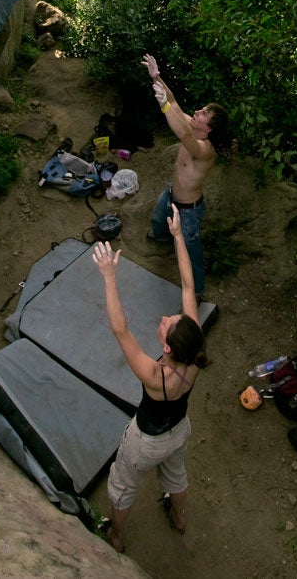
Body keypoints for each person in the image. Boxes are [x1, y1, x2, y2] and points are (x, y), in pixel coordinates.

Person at [92, 205, 208, 553]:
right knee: (176, 477)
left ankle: (116, 535)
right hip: (179, 431)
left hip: (146, 442)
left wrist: (110, 277)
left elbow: (119, 328)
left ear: (169, 346)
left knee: (124, 485)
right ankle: (180, 515)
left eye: (166, 324)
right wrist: (177, 237)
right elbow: (188, 285)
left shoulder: (155, 374)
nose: (164, 317)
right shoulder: (195, 348)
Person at [142, 53, 228, 299]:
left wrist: (164, 107)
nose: (197, 111)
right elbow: (174, 102)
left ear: (208, 128)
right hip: (171, 194)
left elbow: (183, 136)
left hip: (189, 210)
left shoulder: (205, 149)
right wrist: (157, 77)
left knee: (191, 251)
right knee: (158, 219)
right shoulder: (192, 123)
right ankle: (161, 238)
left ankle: (198, 289)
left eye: (203, 114)